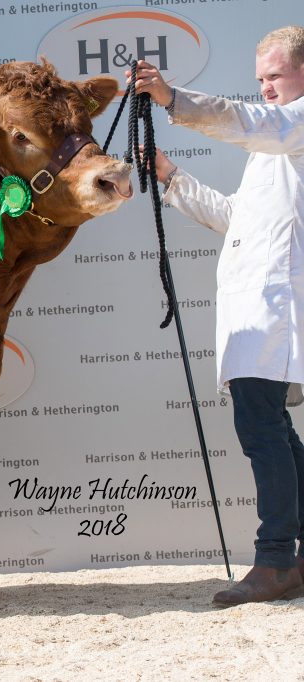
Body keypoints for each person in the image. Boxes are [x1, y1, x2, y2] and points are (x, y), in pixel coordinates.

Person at [129, 26, 304, 606]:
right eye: (261, 79)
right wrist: (170, 177)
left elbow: (248, 119)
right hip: (256, 307)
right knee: (273, 429)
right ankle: (291, 559)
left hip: (274, 309)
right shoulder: (277, 145)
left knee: (262, 430)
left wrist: (172, 99)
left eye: (275, 76)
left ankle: (275, 560)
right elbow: (235, 219)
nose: (265, 88)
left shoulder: (292, 124)